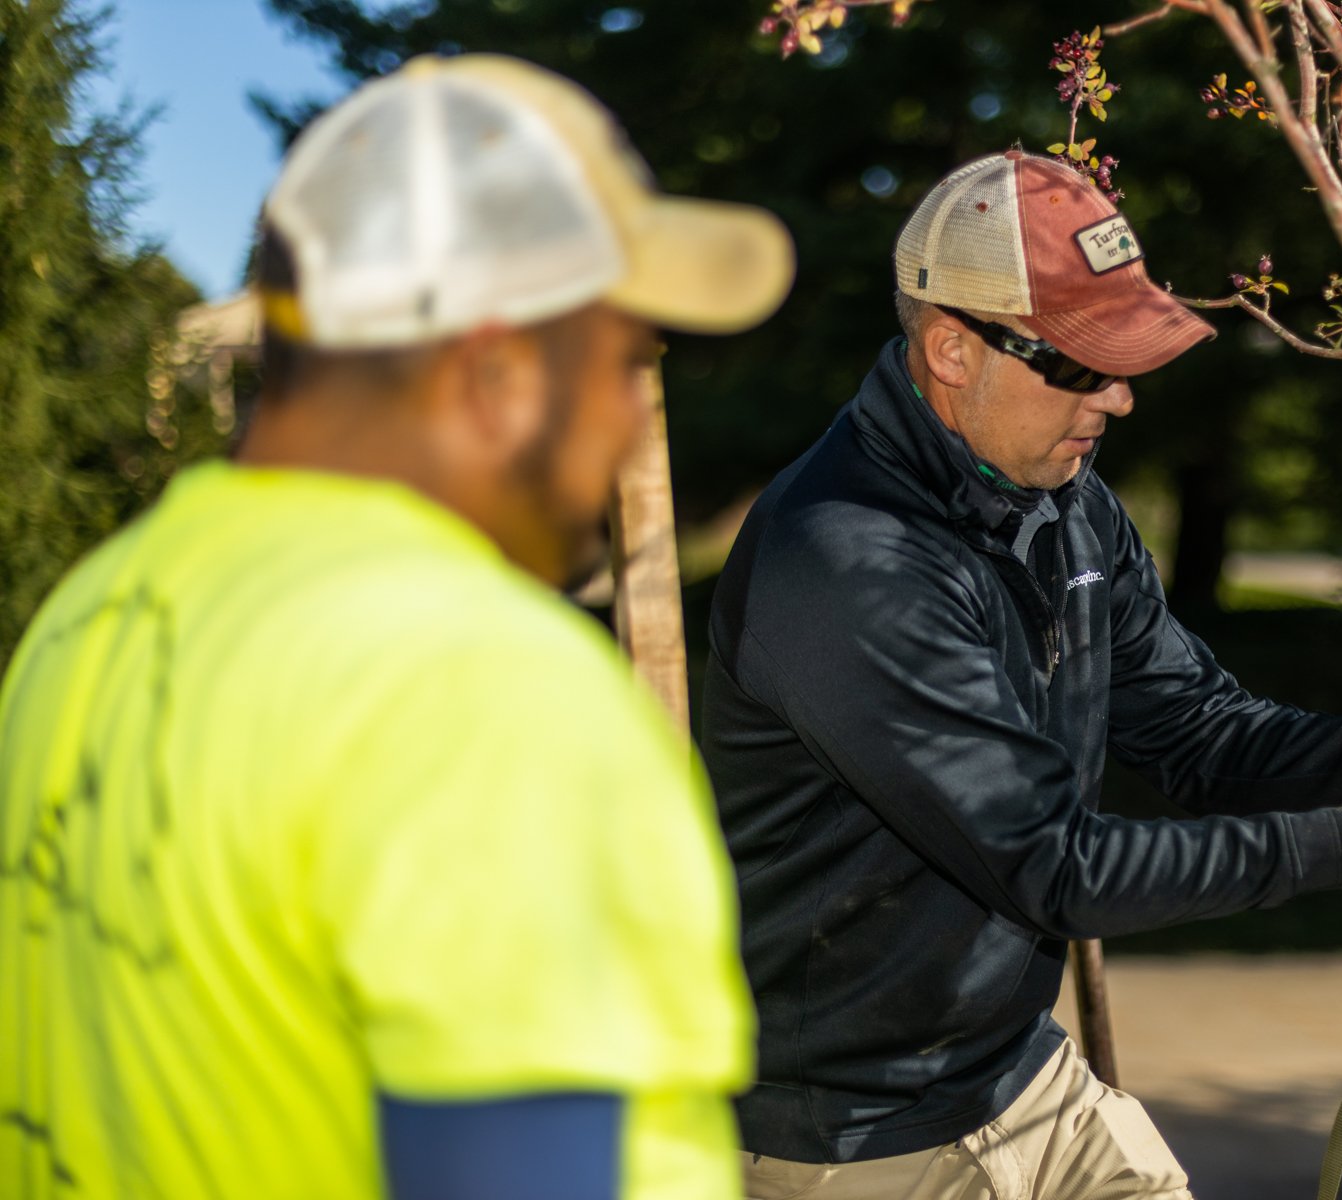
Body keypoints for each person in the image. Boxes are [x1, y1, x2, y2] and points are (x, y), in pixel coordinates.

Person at [701, 149, 1342, 1200]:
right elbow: (1056, 871)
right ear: (950, 351)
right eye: (1077, 363)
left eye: (1125, 362)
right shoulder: (849, 564)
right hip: (853, 1140)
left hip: (1020, 1079)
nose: (1117, 399)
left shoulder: (1064, 503)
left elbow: (1204, 737)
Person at [0, 55, 792, 1200]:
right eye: (622, 360)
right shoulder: (483, 687)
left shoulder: (86, 625)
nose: (631, 413)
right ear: (498, 372)